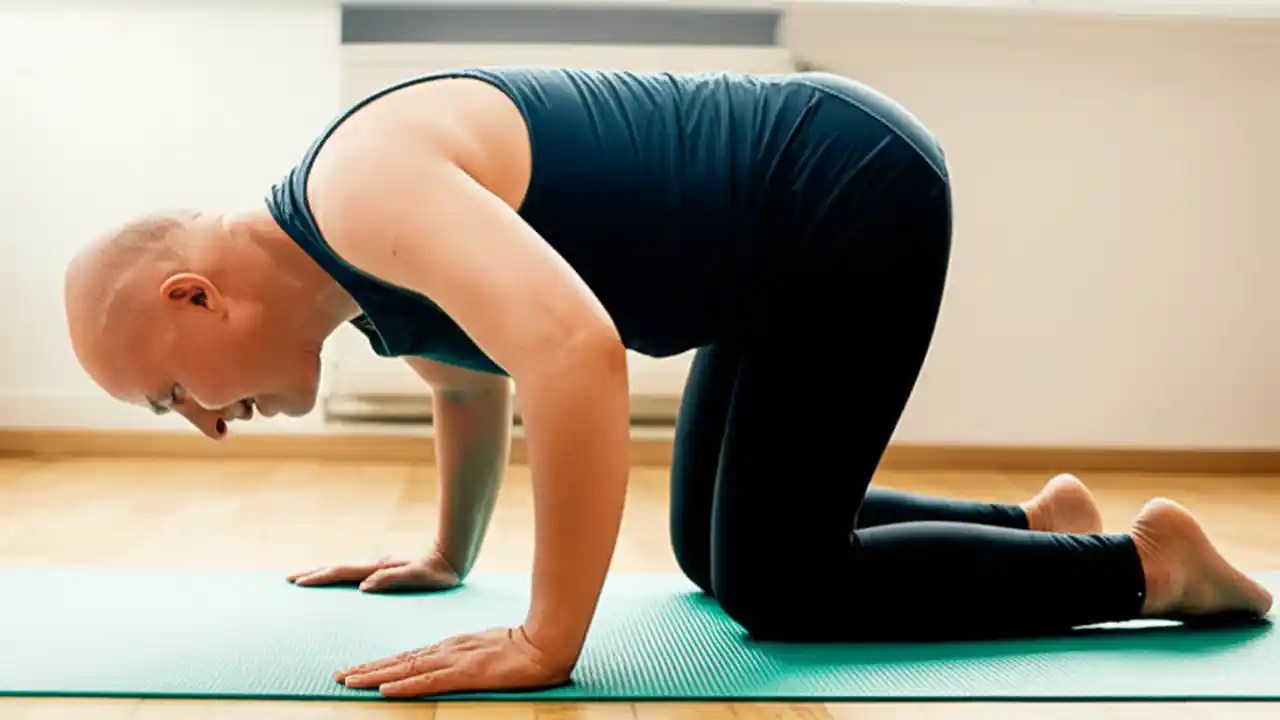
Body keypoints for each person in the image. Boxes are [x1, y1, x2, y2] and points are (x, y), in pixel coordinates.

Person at [63, 67, 1272, 699]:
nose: (208, 427)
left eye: (174, 396)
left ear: (195, 298)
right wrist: (446, 558)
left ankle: (1147, 567)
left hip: (838, 191)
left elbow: (573, 357)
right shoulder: (360, 280)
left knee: (774, 583)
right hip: (773, 248)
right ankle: (1028, 533)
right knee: (710, 551)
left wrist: (548, 639)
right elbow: (467, 389)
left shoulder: (357, 188)